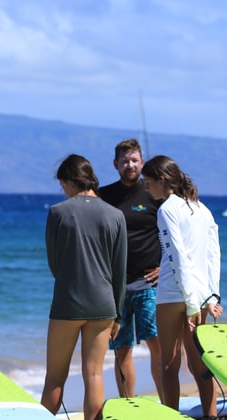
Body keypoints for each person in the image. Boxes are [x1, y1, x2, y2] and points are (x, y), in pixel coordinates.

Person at [41, 154, 127, 420]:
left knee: (55, 378)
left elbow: (55, 262)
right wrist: (118, 314)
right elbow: (120, 270)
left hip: (68, 303)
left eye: (62, 184)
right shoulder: (115, 215)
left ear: (67, 181)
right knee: (93, 374)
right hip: (104, 305)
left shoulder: (58, 212)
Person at [141, 156, 223, 420]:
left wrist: (189, 303)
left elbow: (176, 256)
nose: (146, 188)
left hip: (174, 295)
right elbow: (213, 256)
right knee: (199, 360)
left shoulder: (167, 209)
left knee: (169, 363)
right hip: (200, 296)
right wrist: (212, 295)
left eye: (148, 182)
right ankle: (211, 417)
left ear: (162, 181)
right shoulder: (202, 209)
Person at [98, 139, 163, 400]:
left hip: (149, 285)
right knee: (121, 349)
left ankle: (167, 401)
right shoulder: (104, 196)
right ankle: (129, 404)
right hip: (117, 287)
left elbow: (170, 234)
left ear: (142, 163)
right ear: (116, 164)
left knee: (156, 344)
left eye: (134, 160)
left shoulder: (152, 195)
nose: (130, 165)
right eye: (125, 161)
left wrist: (164, 267)